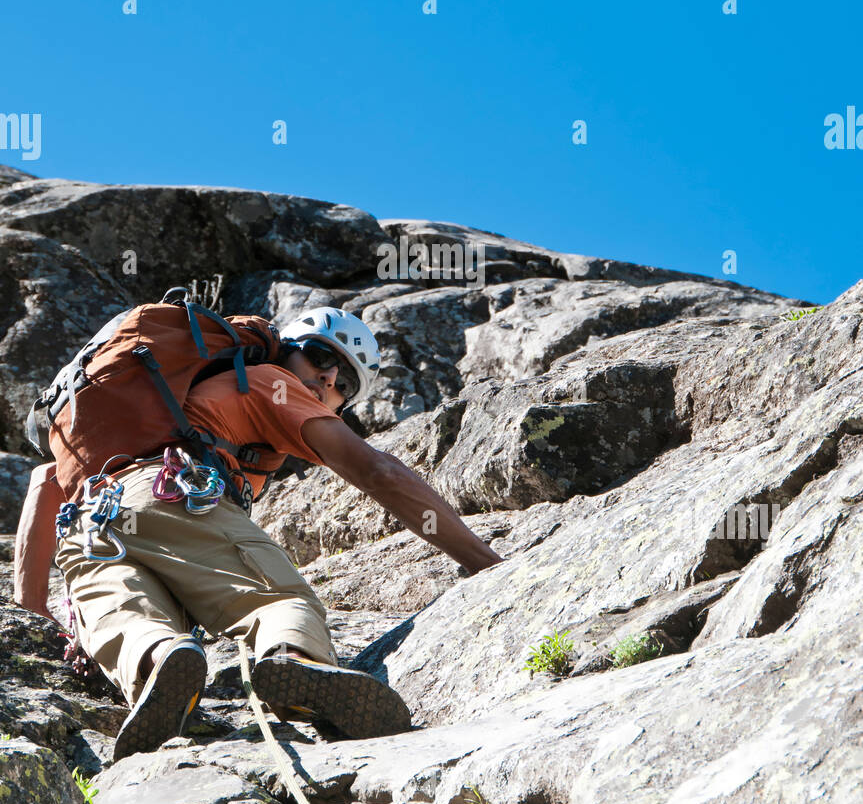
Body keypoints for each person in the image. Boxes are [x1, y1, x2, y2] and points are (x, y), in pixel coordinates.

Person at [14, 307, 503, 759]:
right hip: (169, 492)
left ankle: (157, 661)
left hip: (87, 528)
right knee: (275, 599)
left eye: (345, 384)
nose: (328, 377)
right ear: (286, 351)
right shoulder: (271, 382)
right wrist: (482, 560)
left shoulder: (181, 405)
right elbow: (375, 471)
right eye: (320, 356)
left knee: (130, 621)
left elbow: (44, 482)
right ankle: (294, 661)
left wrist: (34, 615)